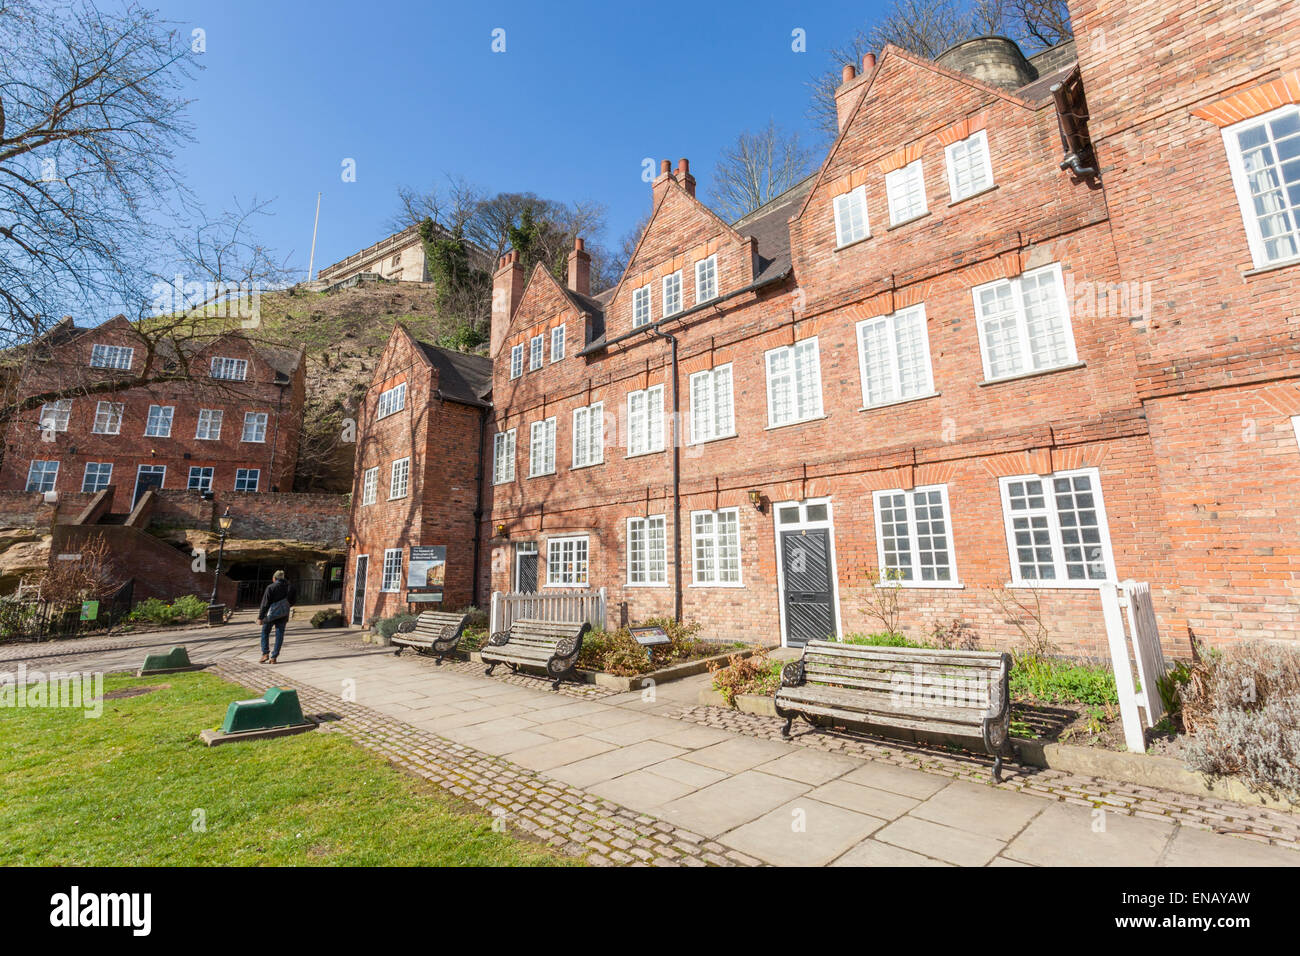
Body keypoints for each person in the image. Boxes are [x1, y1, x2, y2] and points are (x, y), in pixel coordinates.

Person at [258, 570, 294, 664]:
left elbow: (265, 603)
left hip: (270, 614)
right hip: (283, 614)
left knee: (265, 633)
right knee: (279, 635)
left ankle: (265, 654)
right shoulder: (290, 587)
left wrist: (260, 617)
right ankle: (274, 657)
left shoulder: (271, 587)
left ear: (274, 578)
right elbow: (293, 600)